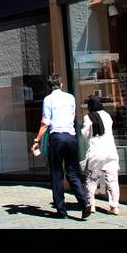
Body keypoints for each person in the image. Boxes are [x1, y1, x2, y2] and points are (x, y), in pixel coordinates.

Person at [32, 74, 90, 219]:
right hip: (71, 136)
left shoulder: (48, 99)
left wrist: (37, 140)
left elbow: (45, 122)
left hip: (57, 137)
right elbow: (72, 115)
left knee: (57, 174)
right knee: (73, 172)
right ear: (62, 84)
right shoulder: (70, 98)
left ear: (49, 87)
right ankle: (84, 202)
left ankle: (61, 211)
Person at [81, 95, 120, 215]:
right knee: (112, 180)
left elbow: (84, 133)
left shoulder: (88, 117)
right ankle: (114, 207)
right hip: (110, 152)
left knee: (91, 180)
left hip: (96, 153)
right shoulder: (107, 115)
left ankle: (91, 204)